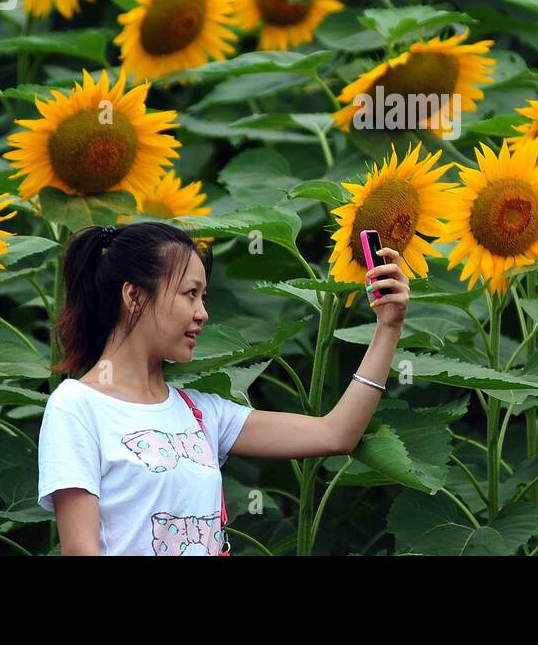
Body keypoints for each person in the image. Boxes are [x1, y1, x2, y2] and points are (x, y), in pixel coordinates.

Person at [36, 221, 409, 556]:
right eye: (189, 294)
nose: (202, 312)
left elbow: (335, 433)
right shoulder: (77, 406)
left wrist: (388, 328)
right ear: (134, 296)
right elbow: (80, 550)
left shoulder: (202, 414)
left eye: (204, 296)